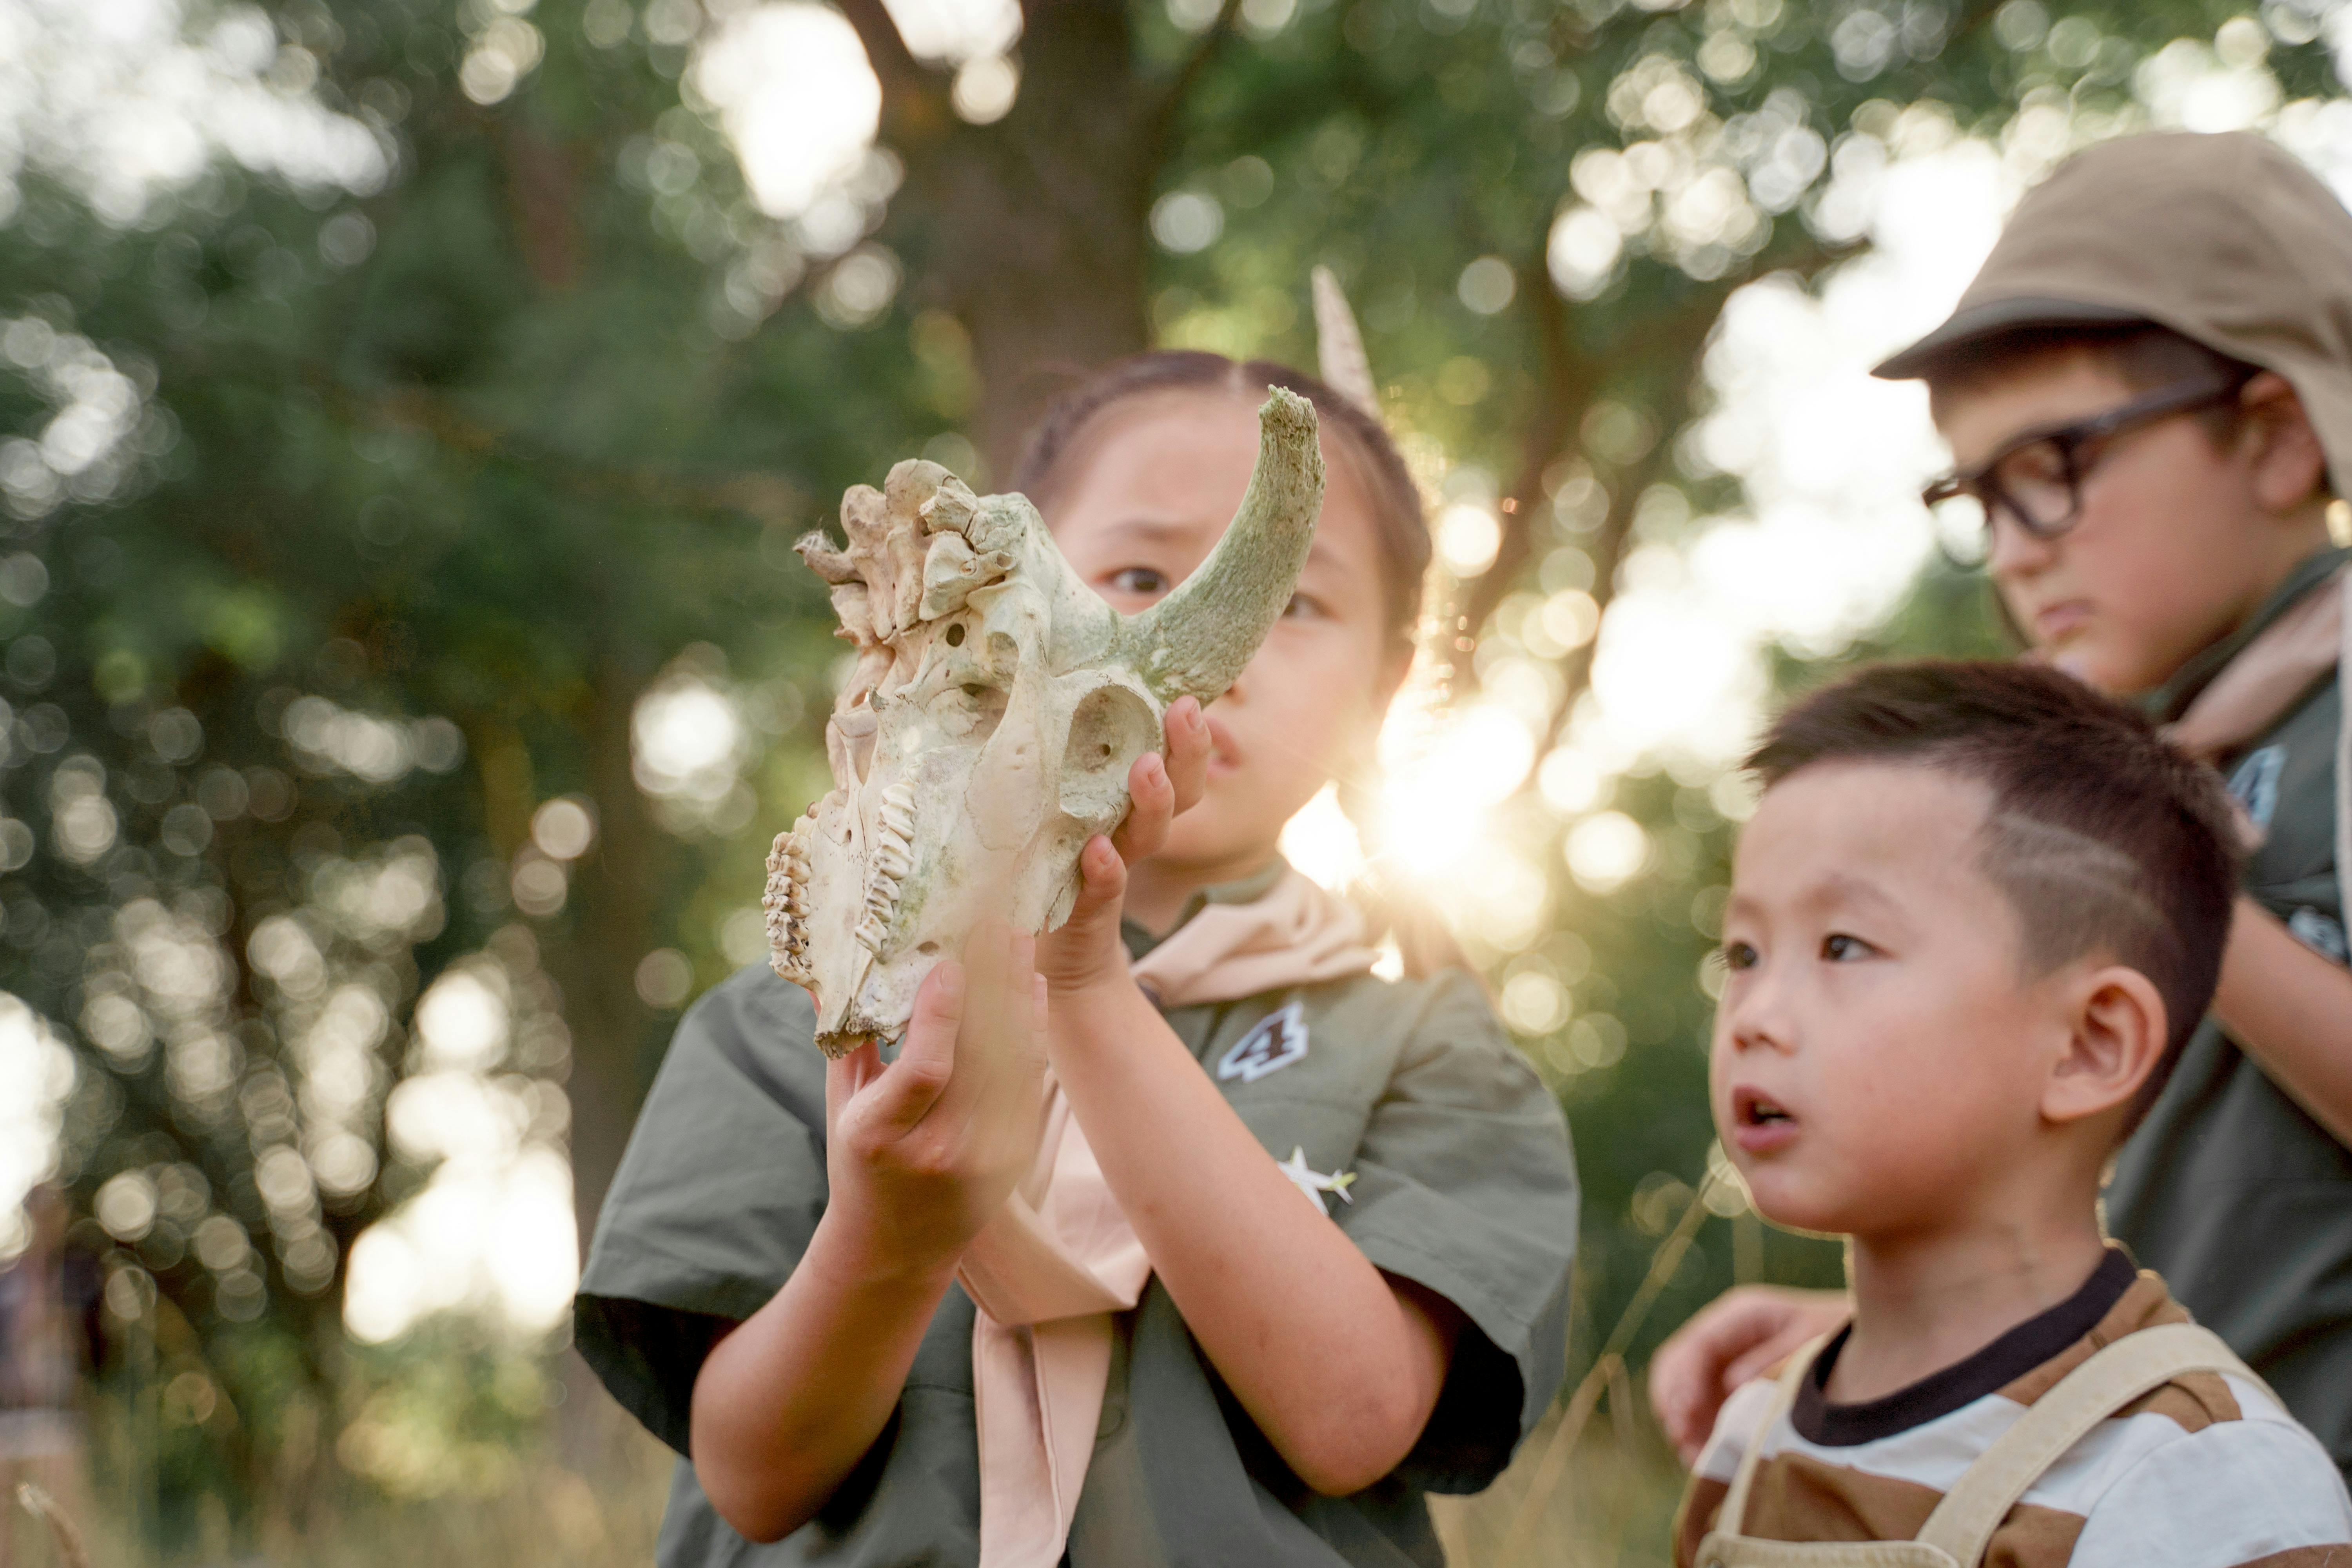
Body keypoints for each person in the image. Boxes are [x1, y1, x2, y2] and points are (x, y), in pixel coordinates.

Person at [572, 349, 1581, 1568]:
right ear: (1003, 612)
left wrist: (1085, 985)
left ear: (1388, 687)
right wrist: (888, 1240)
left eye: (1289, 598)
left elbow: (1352, 1420)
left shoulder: (1431, 1046)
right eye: (1140, 573)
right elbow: (752, 1477)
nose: (1215, 642)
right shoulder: (796, 1015)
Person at [1651, 129, 2352, 1487]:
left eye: (2056, 466)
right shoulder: (2163, 748)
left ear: (2271, 437)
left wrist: (2163, 878)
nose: (2019, 543)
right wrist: (1897, 1341)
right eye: (1980, 492)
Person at [1674, 659, 2351, 1566]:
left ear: (2088, 1044)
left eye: (1843, 945)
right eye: (1744, 952)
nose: (1754, 1016)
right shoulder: (1752, 1435)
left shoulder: (2198, 1480)